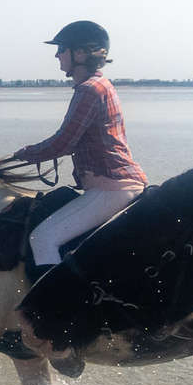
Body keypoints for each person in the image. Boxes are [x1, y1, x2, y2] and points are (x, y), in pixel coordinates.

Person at [12, 21, 147, 278]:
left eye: (62, 49)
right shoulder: (101, 85)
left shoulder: (89, 90)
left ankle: (53, 310)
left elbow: (64, 142)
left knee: (43, 238)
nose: (57, 55)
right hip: (115, 185)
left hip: (111, 188)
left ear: (81, 54)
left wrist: (25, 154)